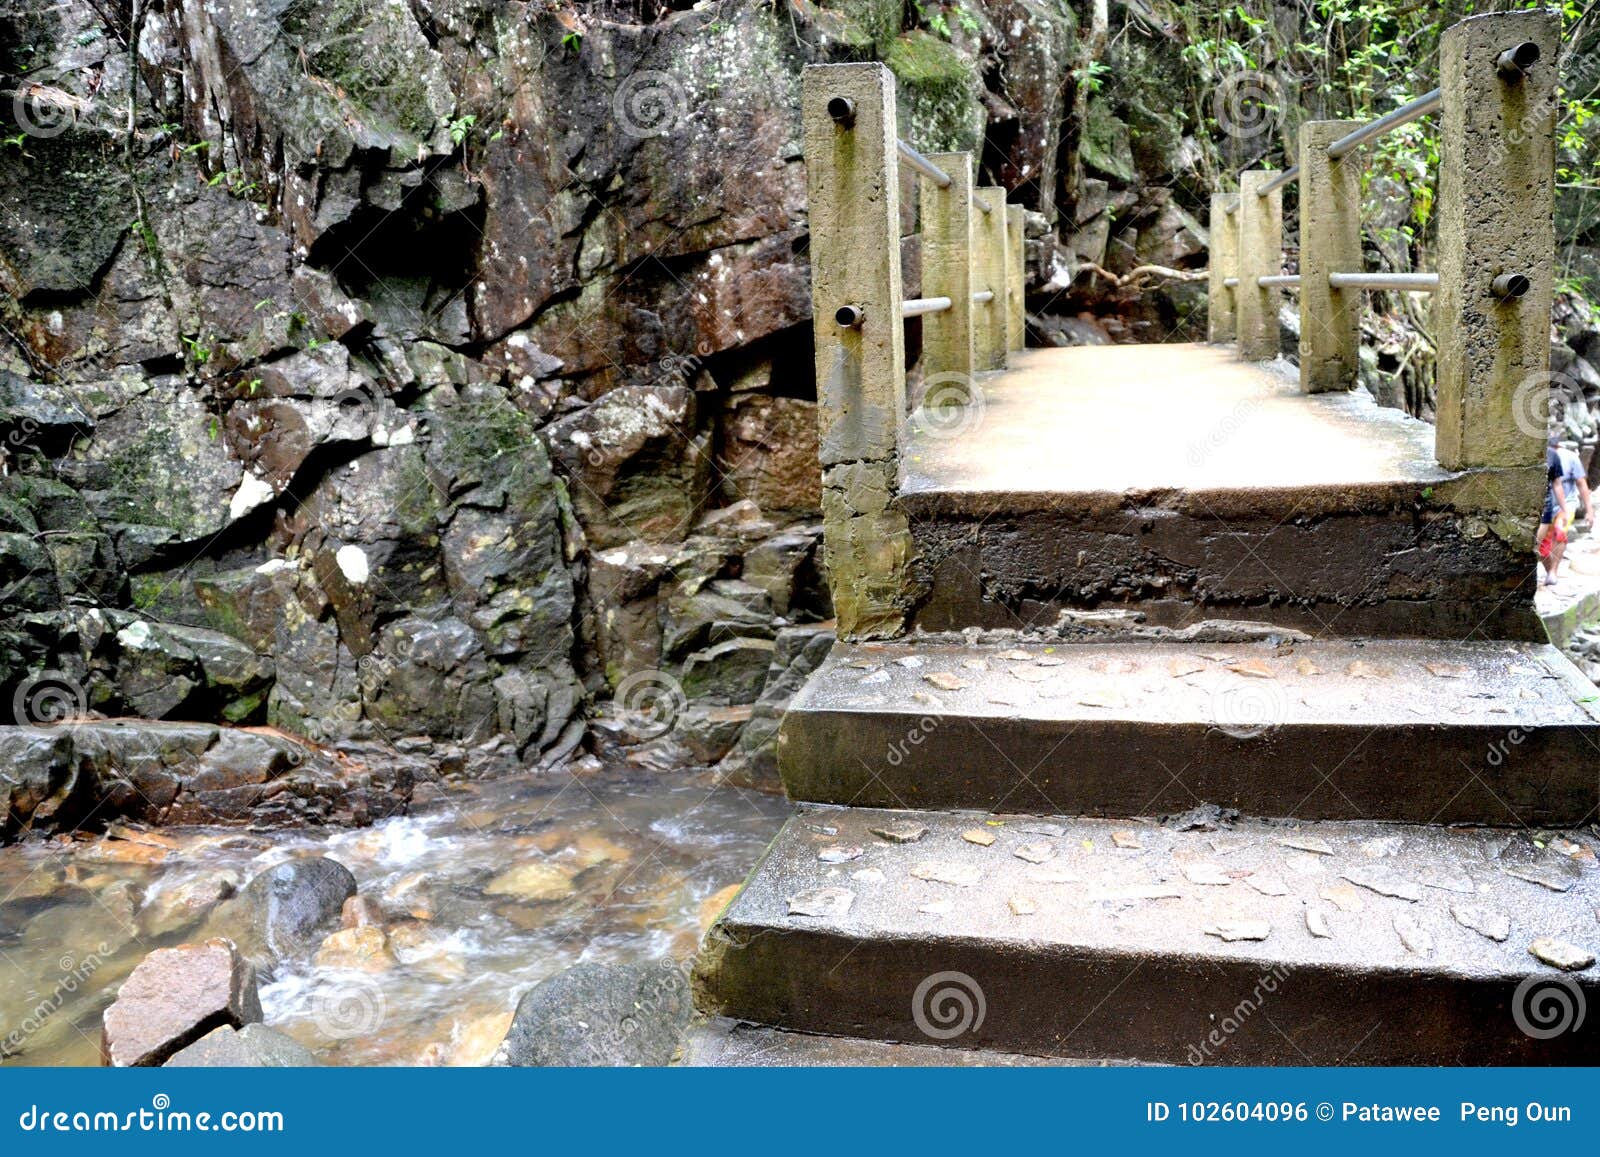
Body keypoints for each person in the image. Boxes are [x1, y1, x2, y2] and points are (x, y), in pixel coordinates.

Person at [1538, 443, 1569, 587]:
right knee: (1535, 548)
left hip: (1545, 505)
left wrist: (1564, 509)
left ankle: (1552, 572)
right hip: (1523, 505)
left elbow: (1557, 484)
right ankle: (1550, 570)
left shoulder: (1552, 455)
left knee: (1536, 544)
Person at [1553, 439, 1591, 532]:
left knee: (1559, 532)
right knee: (1545, 541)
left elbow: (1581, 483)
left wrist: (1589, 511)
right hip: (1546, 507)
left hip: (1567, 503)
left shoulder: (1570, 457)